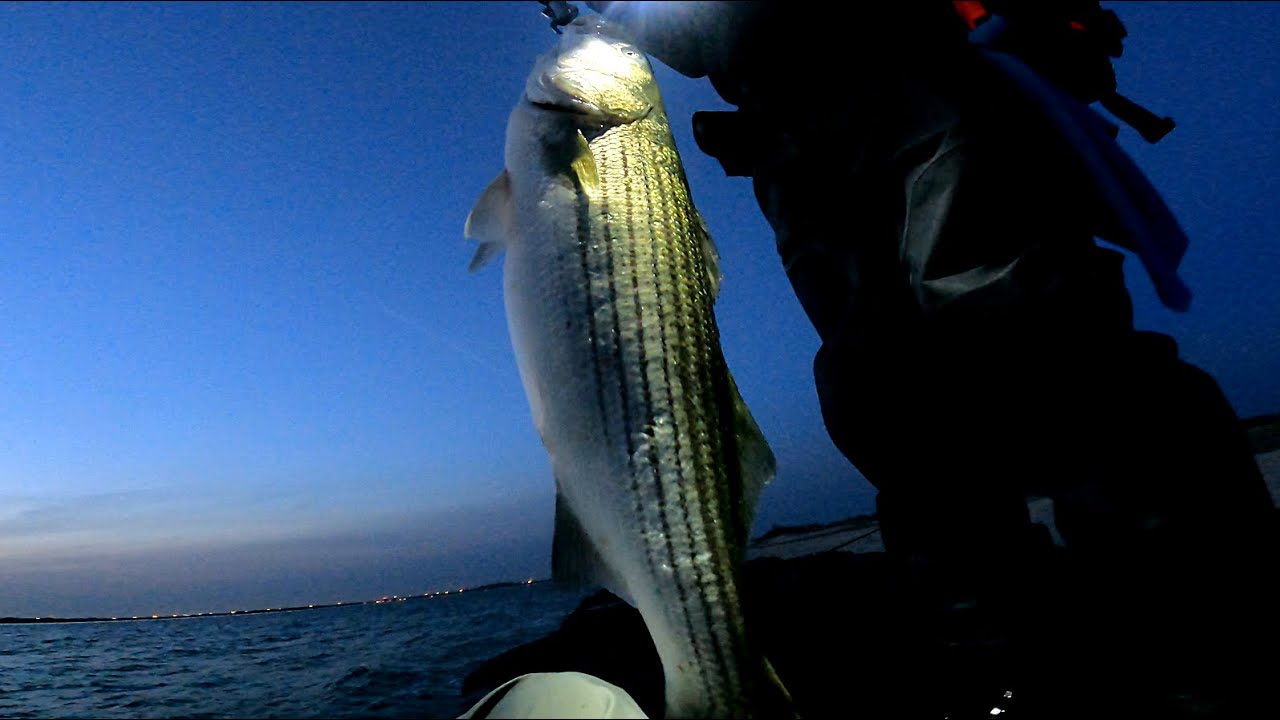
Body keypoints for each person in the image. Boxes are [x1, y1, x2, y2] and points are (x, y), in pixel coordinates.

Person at [570, 0, 1277, 715]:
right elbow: (689, 35)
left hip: (916, 65)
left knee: (1030, 343)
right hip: (789, 139)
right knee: (884, 401)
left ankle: (1214, 654)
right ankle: (1001, 674)